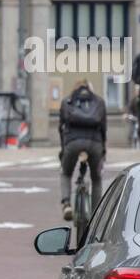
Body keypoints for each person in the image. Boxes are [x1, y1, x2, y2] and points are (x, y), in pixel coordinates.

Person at [59, 79, 106, 222]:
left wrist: (63, 148)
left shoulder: (67, 101)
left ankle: (67, 204)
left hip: (72, 144)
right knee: (96, 178)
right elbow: (104, 128)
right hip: (95, 144)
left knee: (66, 173)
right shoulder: (99, 102)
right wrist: (103, 149)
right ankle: (96, 215)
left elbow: (61, 128)